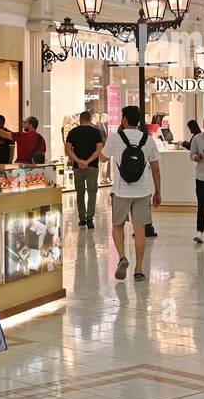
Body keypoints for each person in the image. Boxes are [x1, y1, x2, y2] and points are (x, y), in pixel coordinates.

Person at [99, 105, 161, 283]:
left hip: (121, 191)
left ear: (124, 120)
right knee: (139, 230)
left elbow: (102, 158)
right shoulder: (148, 140)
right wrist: (158, 191)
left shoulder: (115, 138)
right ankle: (139, 270)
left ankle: (122, 257)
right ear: (139, 121)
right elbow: (156, 169)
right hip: (143, 191)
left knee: (117, 226)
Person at [65, 110, 104, 229]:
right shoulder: (96, 132)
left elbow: (68, 149)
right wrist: (87, 161)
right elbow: (99, 150)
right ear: (90, 119)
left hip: (78, 168)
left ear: (80, 120)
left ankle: (82, 219)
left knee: (80, 193)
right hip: (92, 167)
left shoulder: (73, 132)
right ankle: (89, 218)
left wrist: (78, 161)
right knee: (92, 193)